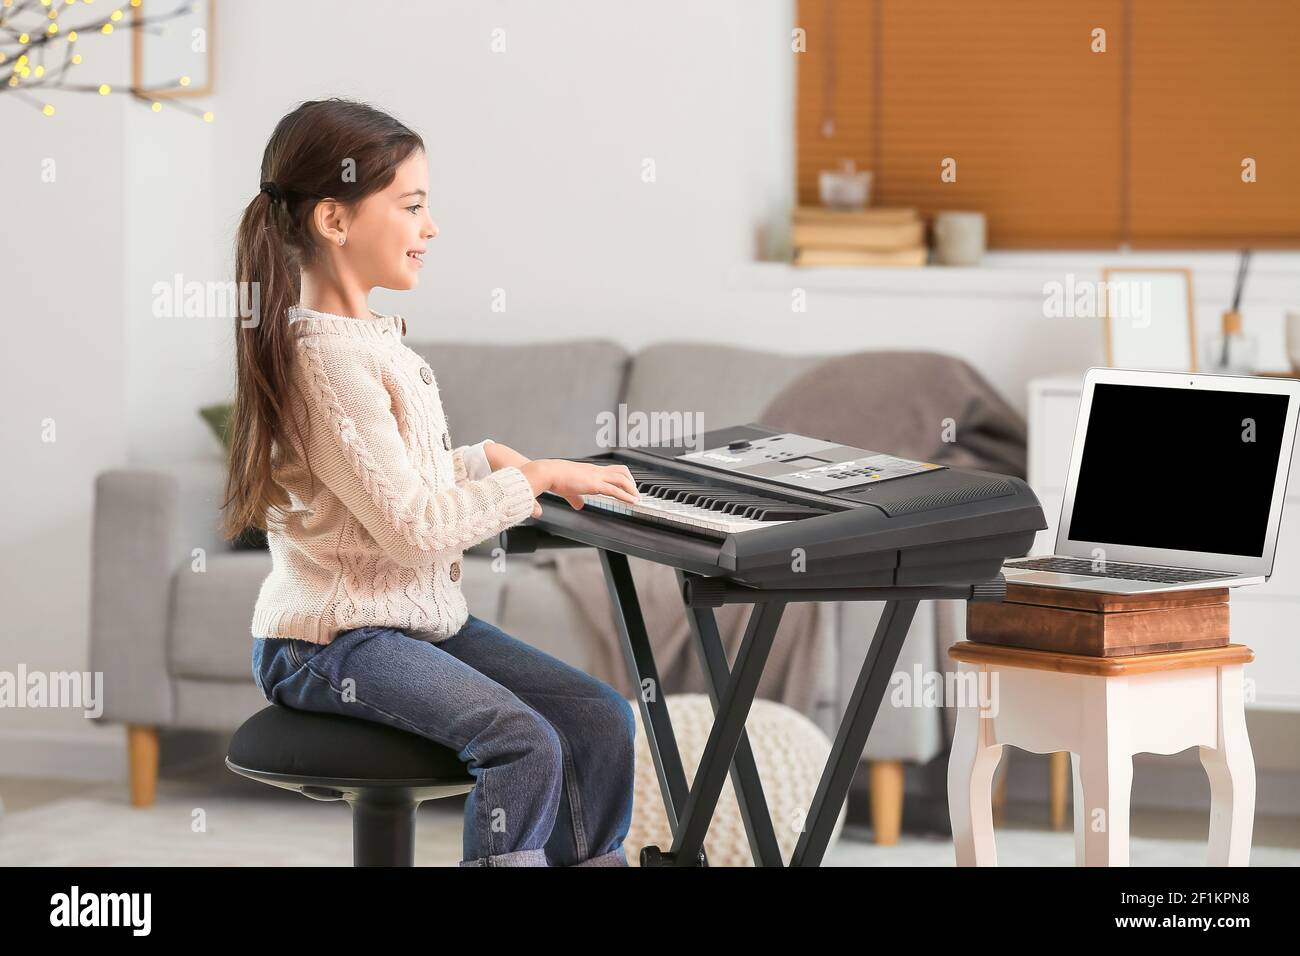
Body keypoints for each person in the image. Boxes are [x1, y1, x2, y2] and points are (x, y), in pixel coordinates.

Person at [222, 98, 641, 867]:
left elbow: (385, 483)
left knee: (601, 718)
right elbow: (412, 528)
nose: (431, 226)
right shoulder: (326, 362)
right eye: (412, 206)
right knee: (523, 744)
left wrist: (489, 460)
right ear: (334, 221)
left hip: (411, 621)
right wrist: (538, 478)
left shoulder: (369, 342)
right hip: (329, 640)